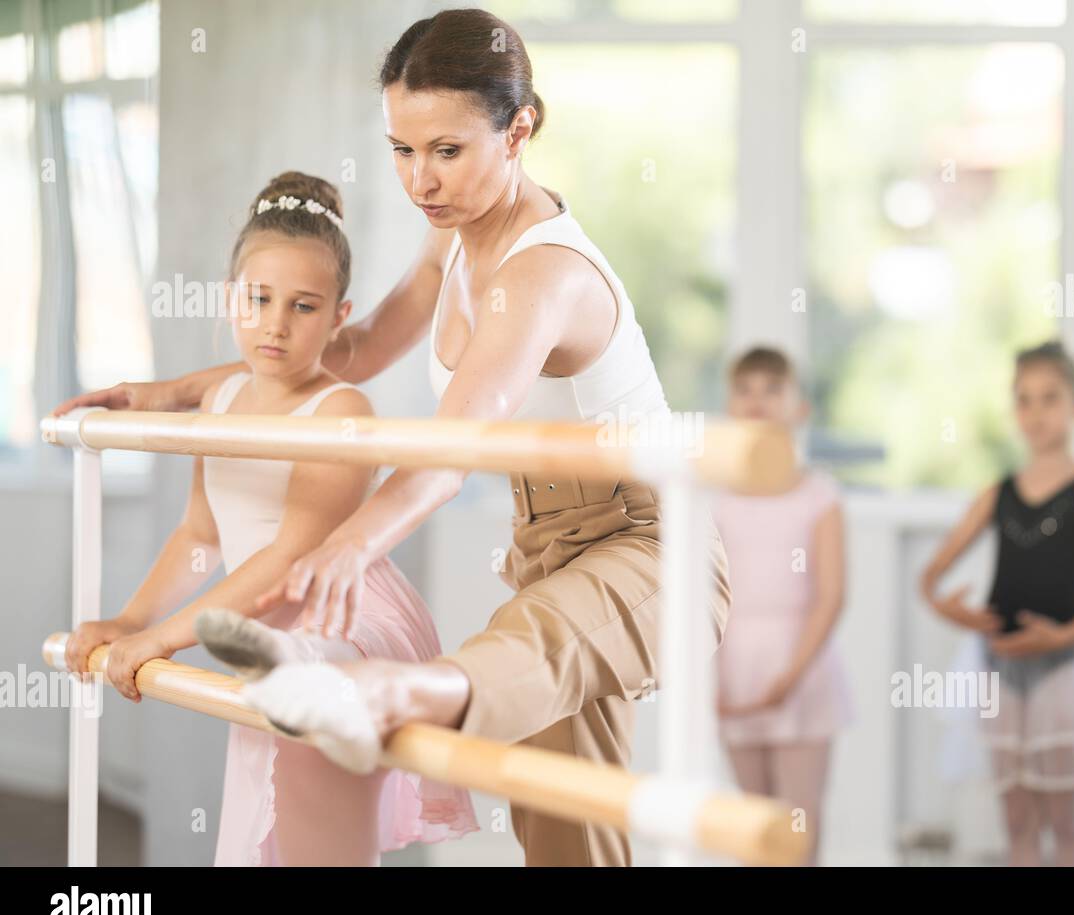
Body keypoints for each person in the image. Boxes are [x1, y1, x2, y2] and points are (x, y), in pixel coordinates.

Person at [54, 9, 730, 867]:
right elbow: (354, 348)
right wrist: (174, 396)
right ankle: (385, 693)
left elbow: (454, 450)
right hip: (548, 545)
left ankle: (382, 692)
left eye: (447, 150)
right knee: (565, 825)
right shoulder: (451, 237)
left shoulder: (543, 273)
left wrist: (346, 547)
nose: (421, 179)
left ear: (519, 128)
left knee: (526, 644)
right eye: (401, 150)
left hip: (649, 544)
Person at [63, 171, 477, 865]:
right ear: (231, 300)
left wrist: (165, 638)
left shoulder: (343, 411)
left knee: (317, 812)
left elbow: (290, 555)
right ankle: (284, 666)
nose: (276, 325)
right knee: (264, 828)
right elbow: (201, 536)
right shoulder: (221, 399)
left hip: (339, 615)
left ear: (340, 317)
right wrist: (131, 622)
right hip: (256, 626)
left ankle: (304, 669)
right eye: (258, 300)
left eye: (304, 307)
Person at [919, 341, 1074, 866]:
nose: (1035, 412)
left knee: (1063, 816)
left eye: (1049, 398)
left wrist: (1064, 636)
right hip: (996, 668)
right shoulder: (998, 493)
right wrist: (947, 606)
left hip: (1062, 668)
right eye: (1024, 399)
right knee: (1015, 818)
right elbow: (930, 575)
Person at [710, 347, 852, 866]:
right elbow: (706, 598)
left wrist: (790, 677)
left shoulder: (818, 495)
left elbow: (831, 597)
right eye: (745, 389)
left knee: (799, 821)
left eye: (773, 389)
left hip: (802, 669)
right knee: (754, 825)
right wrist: (713, 677)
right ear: (729, 403)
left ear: (800, 408)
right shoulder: (716, 500)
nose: (758, 400)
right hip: (736, 669)